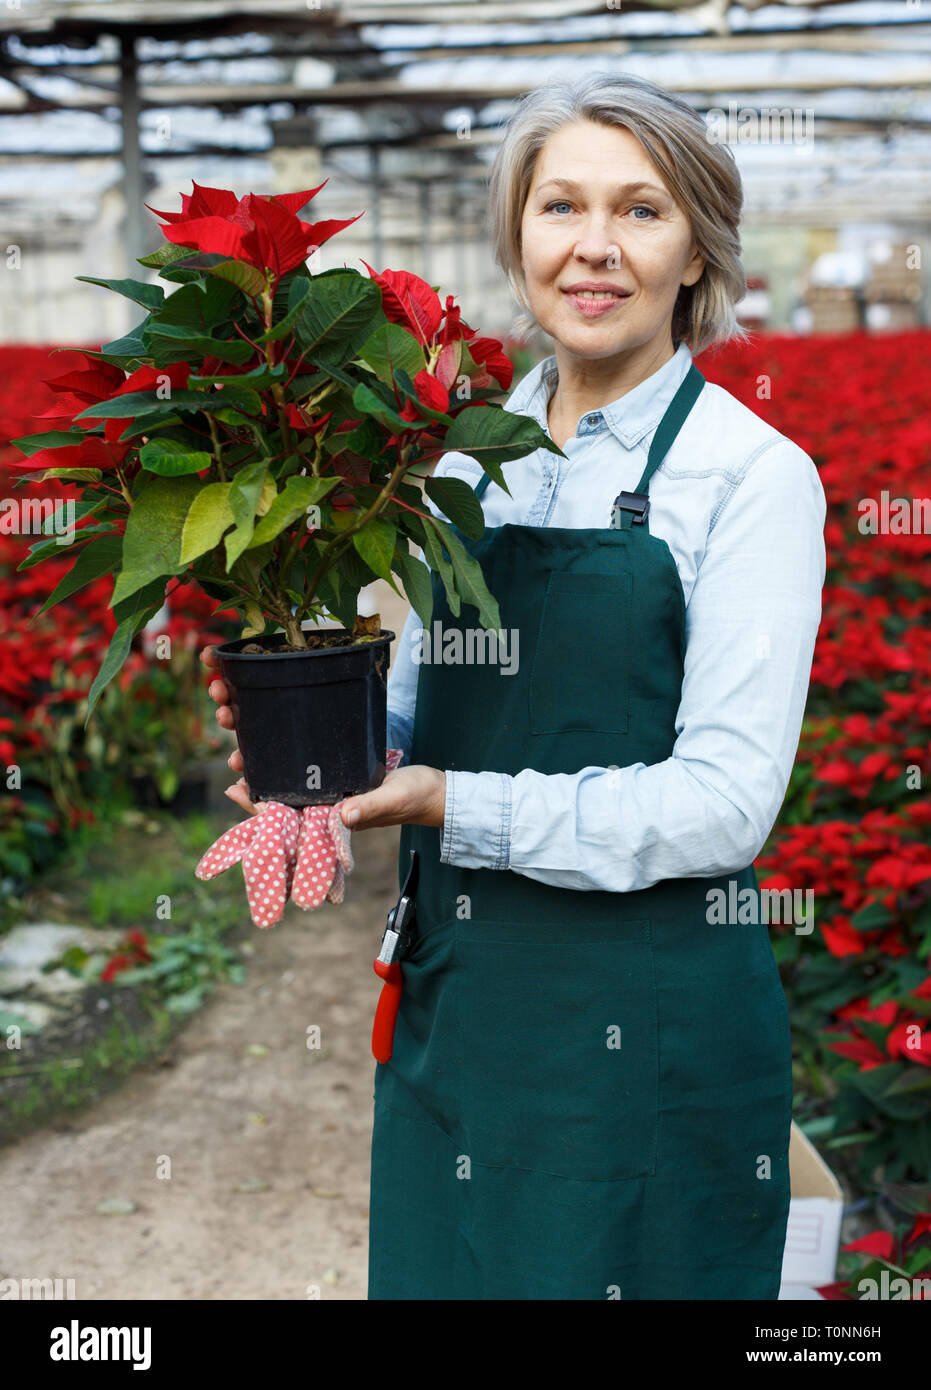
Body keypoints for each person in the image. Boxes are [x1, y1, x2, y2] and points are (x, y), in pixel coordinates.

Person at [202, 70, 826, 1301]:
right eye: (559, 208)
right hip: (466, 1009)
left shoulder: (749, 476)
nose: (594, 248)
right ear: (518, 235)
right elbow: (431, 699)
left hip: (645, 1036)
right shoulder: (463, 459)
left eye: (641, 212)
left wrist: (449, 804)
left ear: (696, 248)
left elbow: (721, 804)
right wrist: (324, 742)